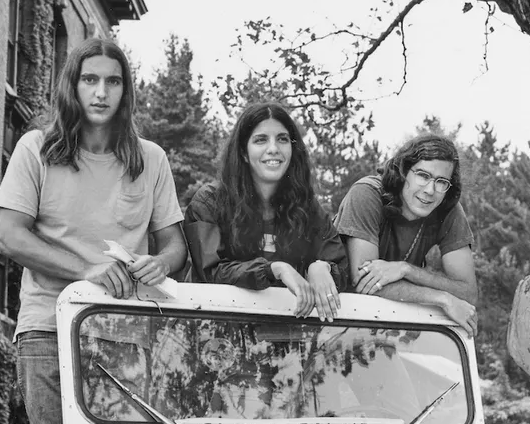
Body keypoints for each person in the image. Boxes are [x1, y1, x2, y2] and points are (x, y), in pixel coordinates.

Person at [0, 36, 187, 424]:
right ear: (72, 87)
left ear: (126, 91)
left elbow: (174, 242)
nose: (101, 92)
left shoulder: (149, 159)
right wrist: (88, 274)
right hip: (47, 329)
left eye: (113, 81)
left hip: (123, 335)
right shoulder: (37, 151)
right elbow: (9, 235)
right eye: (90, 80)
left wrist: (162, 262)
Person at [185, 101, 346, 321]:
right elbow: (211, 272)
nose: (274, 149)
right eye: (261, 140)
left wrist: (321, 268)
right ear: (243, 152)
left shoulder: (308, 209)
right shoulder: (210, 202)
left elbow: (342, 270)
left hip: (286, 339)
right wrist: (274, 269)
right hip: (214, 334)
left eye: (282, 139)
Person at [335, 135, 478, 332]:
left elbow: (468, 293)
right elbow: (363, 282)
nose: (430, 190)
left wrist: (406, 269)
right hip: (335, 321)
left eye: (441, 181)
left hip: (392, 328)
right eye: (423, 175)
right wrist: (442, 298)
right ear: (403, 171)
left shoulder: (448, 210)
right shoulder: (367, 194)